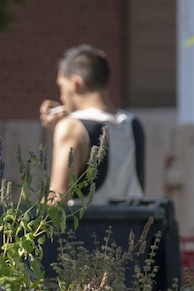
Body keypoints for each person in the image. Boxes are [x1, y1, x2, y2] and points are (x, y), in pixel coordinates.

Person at [39, 45, 145, 205]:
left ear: (75, 83)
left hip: (88, 222)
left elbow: (57, 199)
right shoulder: (133, 124)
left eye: (61, 86)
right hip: (133, 221)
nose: (61, 96)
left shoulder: (71, 127)